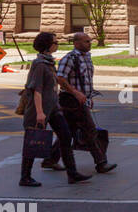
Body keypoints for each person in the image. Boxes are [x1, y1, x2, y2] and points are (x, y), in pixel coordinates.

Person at [19, 32, 92, 188]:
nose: (57, 44)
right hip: (40, 110)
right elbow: (36, 90)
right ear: (48, 45)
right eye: (55, 42)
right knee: (33, 141)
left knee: (66, 136)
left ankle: (72, 174)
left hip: (53, 108)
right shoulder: (39, 65)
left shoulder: (49, 62)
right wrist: (39, 113)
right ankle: (25, 177)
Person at [43, 32, 116, 175]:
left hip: (82, 99)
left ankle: (50, 159)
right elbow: (61, 79)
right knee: (90, 130)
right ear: (76, 43)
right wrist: (76, 93)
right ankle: (101, 163)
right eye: (86, 41)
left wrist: (89, 97)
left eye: (90, 41)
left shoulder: (87, 58)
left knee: (68, 132)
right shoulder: (70, 58)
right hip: (70, 101)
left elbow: (86, 80)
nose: (89, 43)